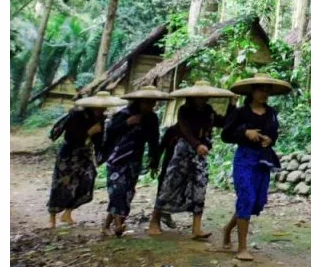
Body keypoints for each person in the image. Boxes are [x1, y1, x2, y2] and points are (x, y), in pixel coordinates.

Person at [221, 74, 290, 261]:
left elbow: (274, 134)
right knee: (247, 197)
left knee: (256, 201)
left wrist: (270, 139)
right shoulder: (240, 112)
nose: (264, 93)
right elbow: (225, 135)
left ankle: (227, 229)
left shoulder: (272, 113)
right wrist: (245, 132)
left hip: (263, 161)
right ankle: (242, 248)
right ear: (252, 91)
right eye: (261, 89)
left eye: (267, 90)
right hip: (244, 158)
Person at [148, 92, 227, 239]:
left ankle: (196, 228)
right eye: (200, 97)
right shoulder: (184, 110)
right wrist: (196, 144)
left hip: (201, 153)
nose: (203, 99)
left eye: (205, 97)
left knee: (200, 187)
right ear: (193, 97)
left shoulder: (208, 111)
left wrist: (233, 106)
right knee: (169, 185)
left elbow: (224, 122)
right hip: (183, 152)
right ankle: (154, 221)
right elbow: (184, 130)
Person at [45, 92, 124, 228]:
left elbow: (99, 142)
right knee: (61, 184)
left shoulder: (100, 120)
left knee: (86, 182)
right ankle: (52, 217)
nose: (102, 110)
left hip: (85, 155)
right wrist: (89, 132)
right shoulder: (76, 115)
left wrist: (105, 150)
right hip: (68, 154)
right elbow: (69, 138)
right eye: (99, 108)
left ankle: (68, 213)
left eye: (104, 108)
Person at [101, 86, 167, 237]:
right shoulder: (123, 114)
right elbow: (110, 132)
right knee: (118, 191)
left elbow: (154, 140)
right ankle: (118, 225)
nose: (150, 106)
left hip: (134, 160)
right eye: (147, 103)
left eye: (152, 103)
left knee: (127, 193)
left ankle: (106, 225)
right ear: (139, 102)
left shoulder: (151, 118)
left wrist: (154, 160)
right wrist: (127, 124)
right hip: (117, 158)